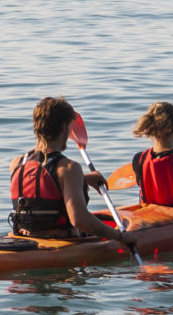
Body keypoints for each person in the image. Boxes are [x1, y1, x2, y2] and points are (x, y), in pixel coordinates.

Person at [8, 96, 127, 241]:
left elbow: (39, 188)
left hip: (23, 240)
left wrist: (82, 179)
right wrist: (119, 236)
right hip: (61, 245)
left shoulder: (17, 164)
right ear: (64, 126)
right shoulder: (70, 168)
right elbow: (79, 220)